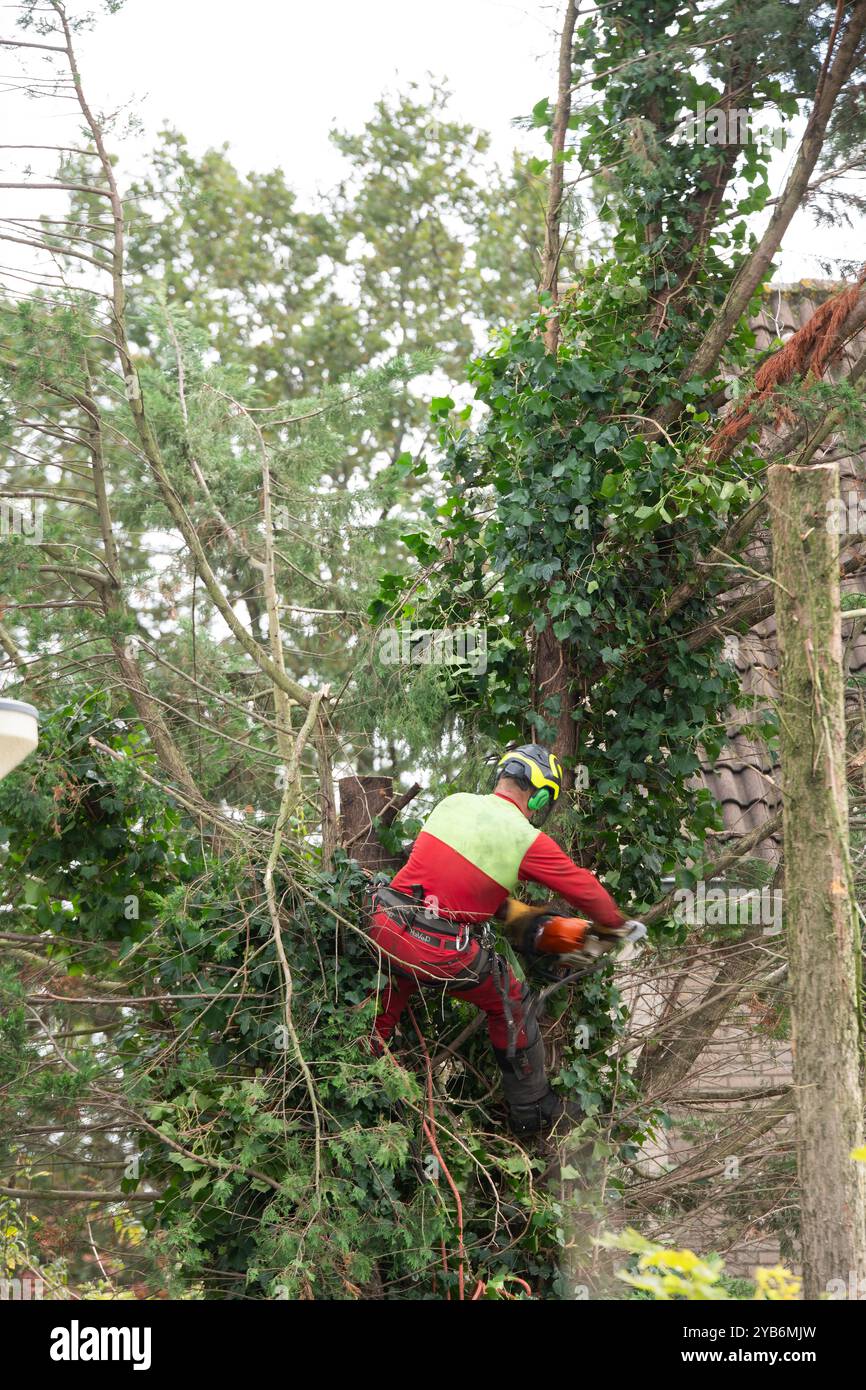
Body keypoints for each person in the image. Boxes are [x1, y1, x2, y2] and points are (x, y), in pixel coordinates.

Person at [367, 744, 632, 1134]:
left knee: (398, 979)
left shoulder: (454, 803)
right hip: (435, 949)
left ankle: (365, 1062)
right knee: (509, 994)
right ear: (540, 794)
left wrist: (525, 920)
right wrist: (616, 925)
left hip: (386, 923)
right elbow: (583, 888)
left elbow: (463, 882)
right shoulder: (525, 837)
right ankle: (533, 1108)